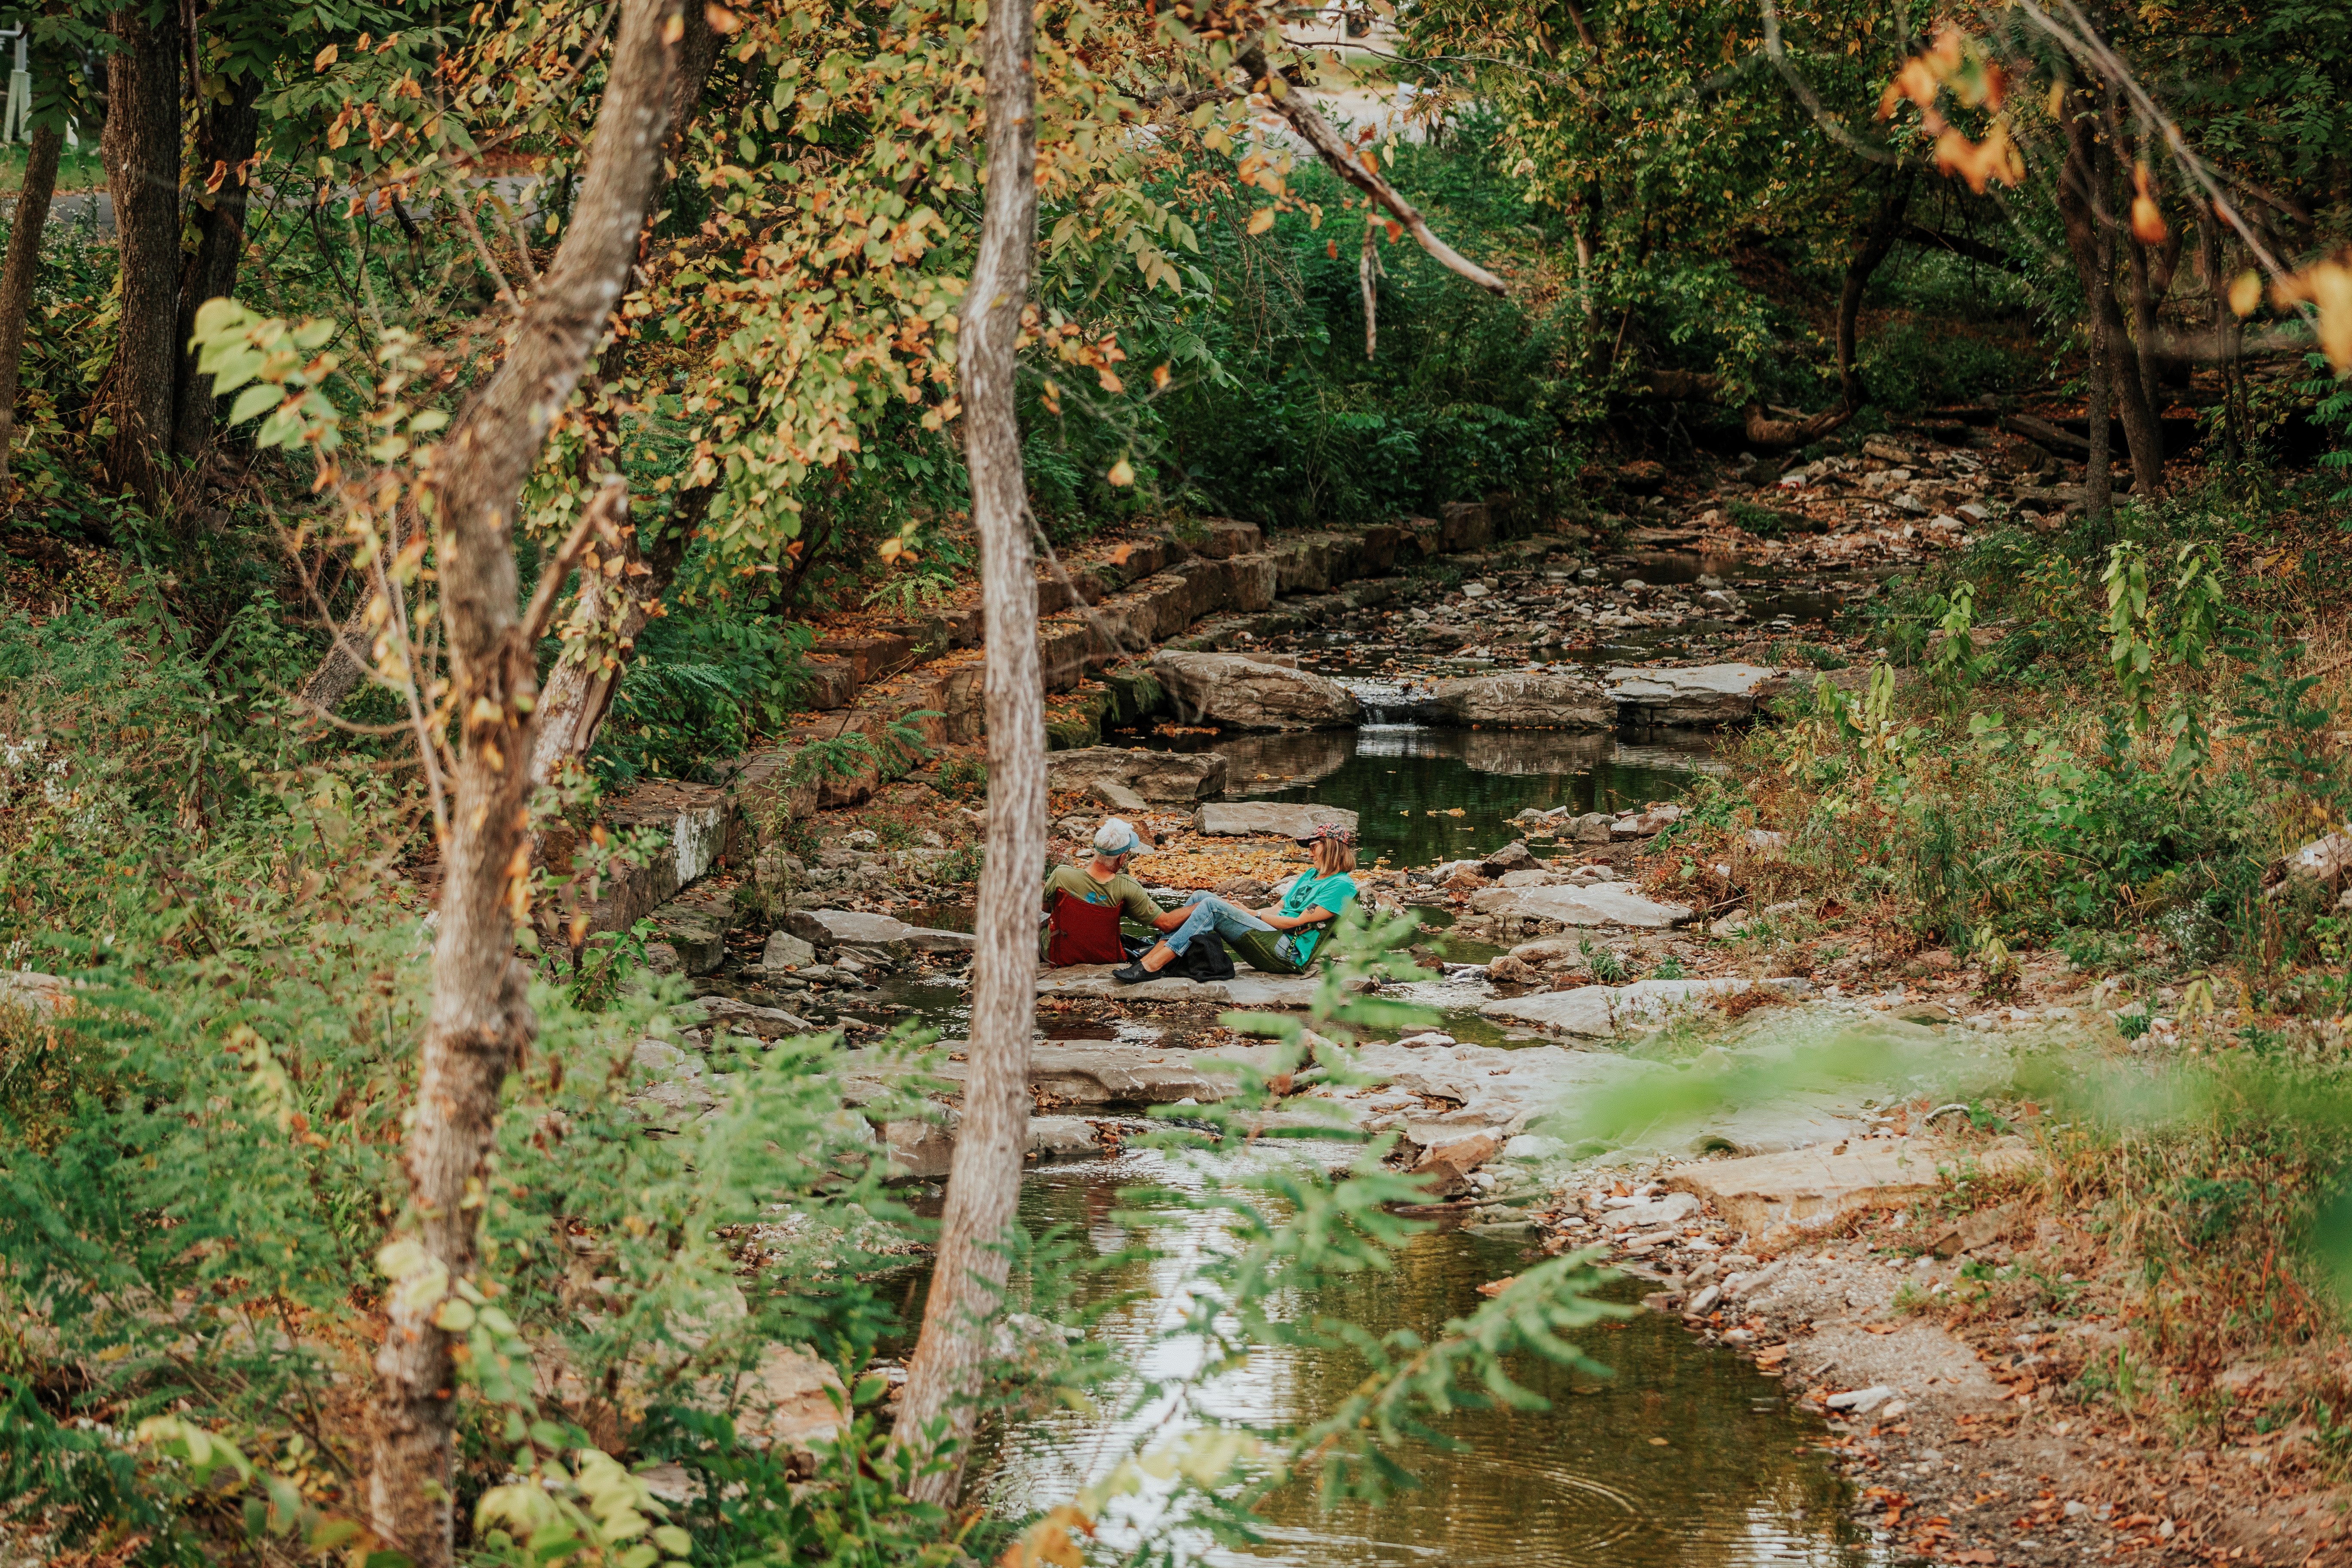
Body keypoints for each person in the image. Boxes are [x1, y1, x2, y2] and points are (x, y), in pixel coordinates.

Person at [1112, 822, 1358, 983]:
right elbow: (1277, 909)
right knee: (1201, 897)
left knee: (1211, 907)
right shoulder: (1310, 875)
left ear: (1333, 848)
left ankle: (1154, 964)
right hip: (1273, 934)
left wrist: (1254, 917)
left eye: (1314, 846)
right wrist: (1248, 911)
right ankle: (1162, 955)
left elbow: (1296, 921)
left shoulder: (1341, 886)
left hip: (1287, 951)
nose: (1309, 852)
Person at [1040, 818, 1188, 965]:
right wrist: (1202, 904)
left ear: (1095, 849)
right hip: (1106, 959)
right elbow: (1167, 924)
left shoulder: (1061, 875)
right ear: (1122, 858)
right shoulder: (1127, 887)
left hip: (1057, 955)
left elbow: (1045, 908)